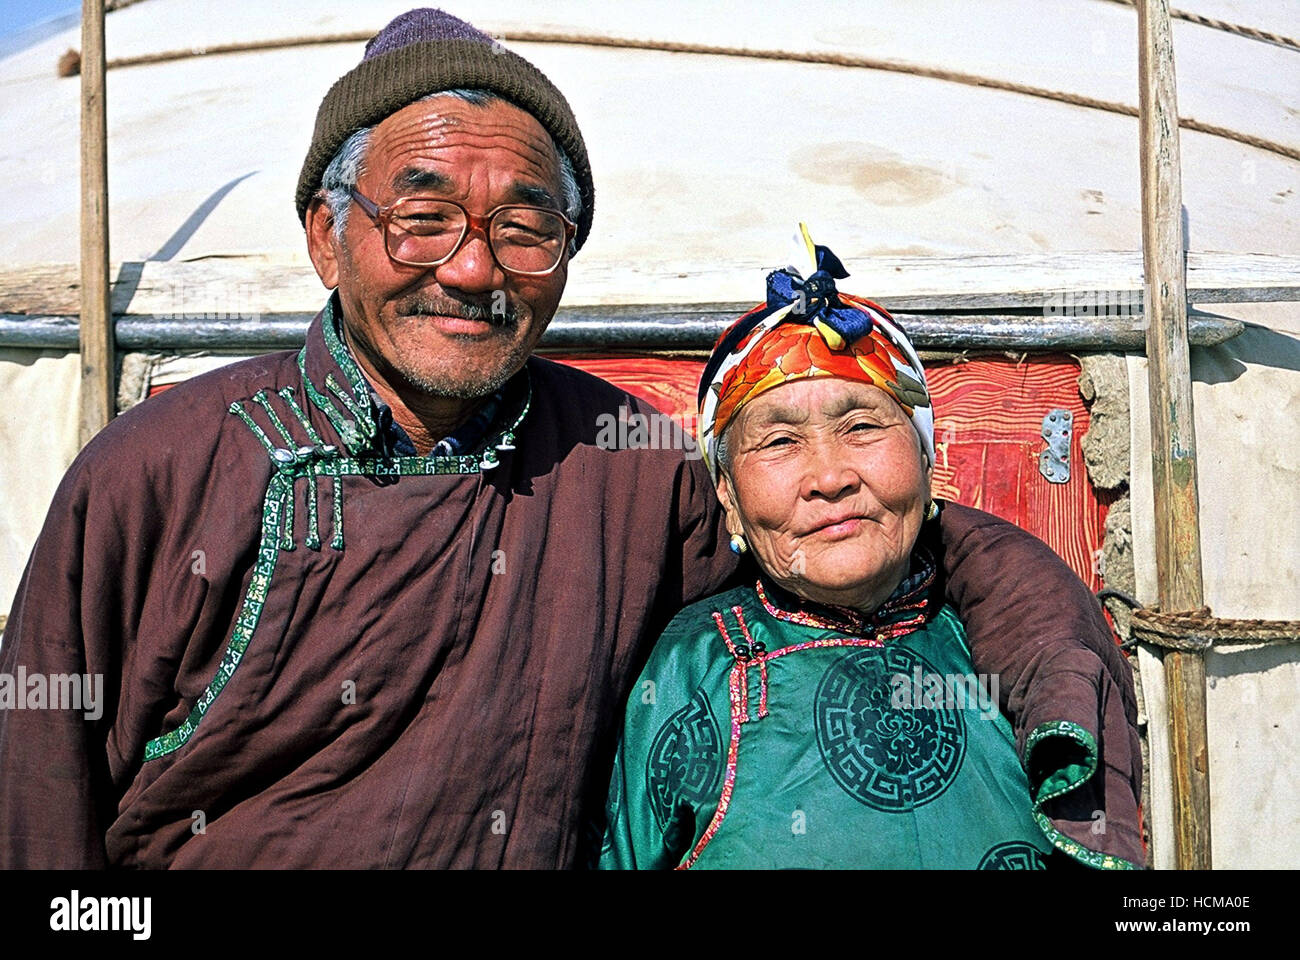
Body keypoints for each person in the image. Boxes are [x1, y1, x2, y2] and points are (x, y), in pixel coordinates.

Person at [0, 9, 1138, 869]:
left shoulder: (621, 462)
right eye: (422, 216)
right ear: (325, 235)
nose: (471, 268)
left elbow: (855, 534)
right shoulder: (163, 468)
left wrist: (1055, 692)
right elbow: (38, 799)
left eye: (524, 225)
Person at [597, 228, 1143, 869]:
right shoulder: (693, 666)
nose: (830, 477)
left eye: (862, 427)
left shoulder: (1015, 644)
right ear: (728, 492)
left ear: (925, 454)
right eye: (779, 443)